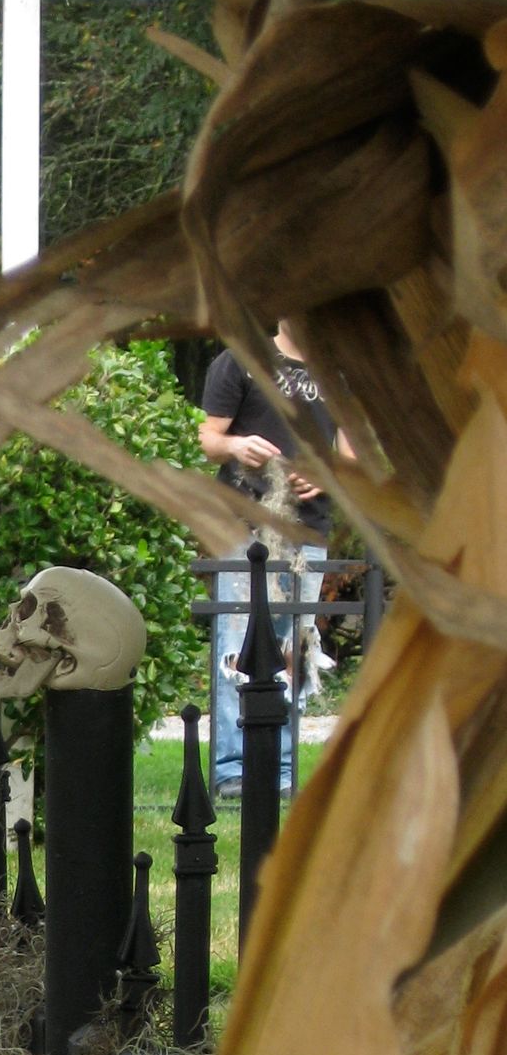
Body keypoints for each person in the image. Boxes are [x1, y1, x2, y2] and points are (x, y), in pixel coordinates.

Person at [198, 325, 335, 793]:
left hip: (307, 529)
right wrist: (237, 445)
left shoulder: (342, 370)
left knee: (295, 647)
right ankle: (232, 769)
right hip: (243, 524)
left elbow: (354, 456)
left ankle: (280, 769)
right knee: (236, 645)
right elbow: (208, 436)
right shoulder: (240, 361)